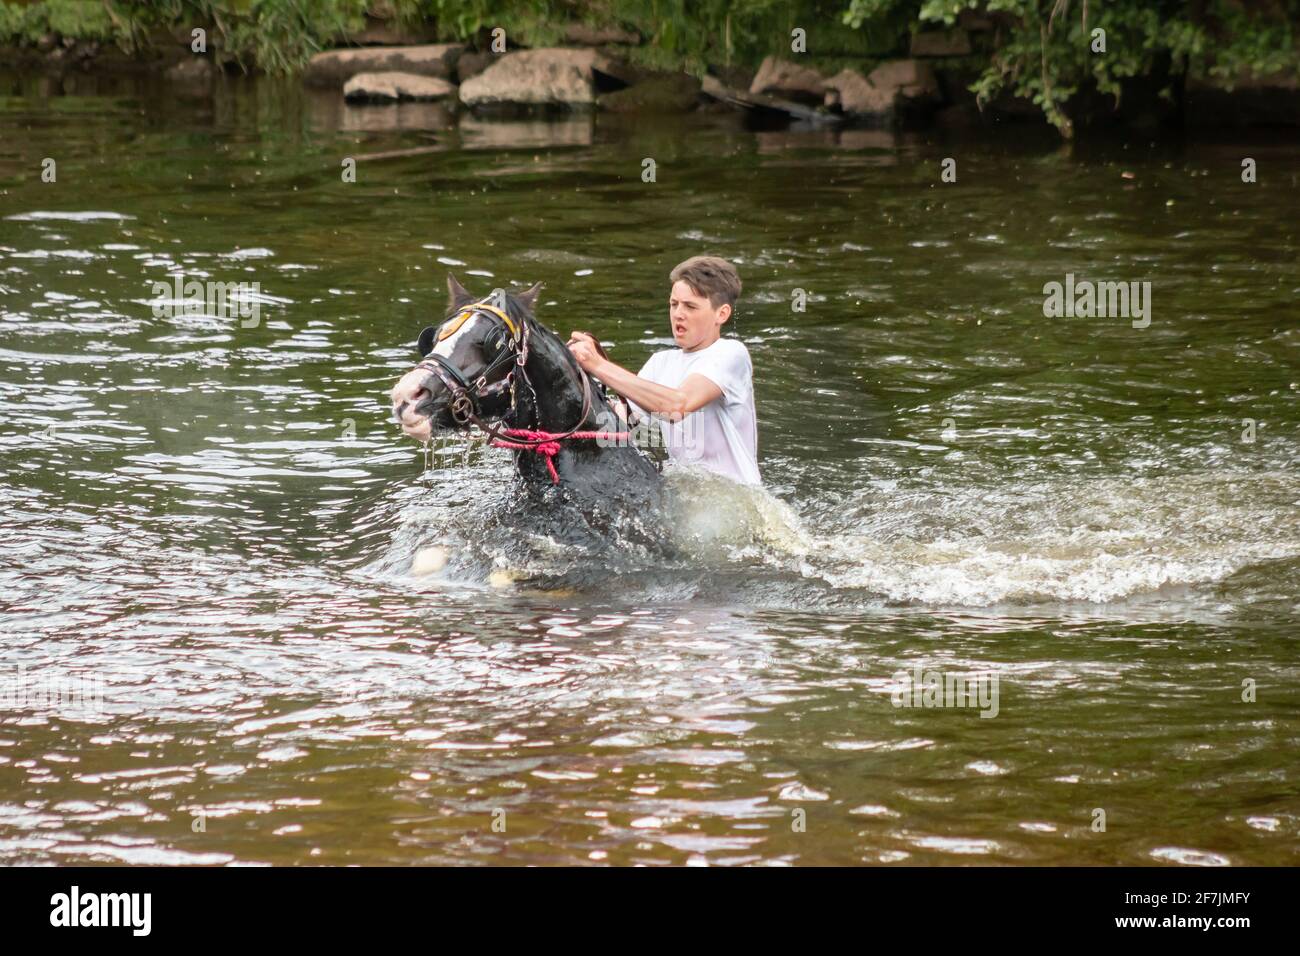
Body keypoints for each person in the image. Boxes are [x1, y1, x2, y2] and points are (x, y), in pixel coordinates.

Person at [566, 255, 761, 486]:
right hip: (687, 493)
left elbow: (676, 407)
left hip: (737, 497)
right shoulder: (660, 362)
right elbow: (622, 423)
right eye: (674, 304)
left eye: (690, 306)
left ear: (722, 314)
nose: (678, 313)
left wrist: (597, 364)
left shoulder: (731, 354)